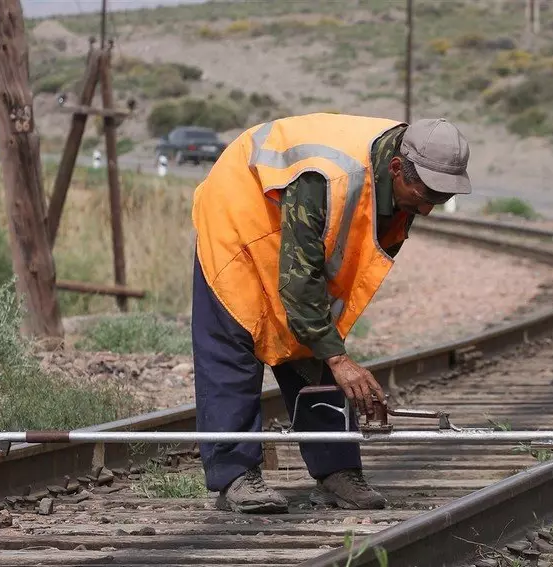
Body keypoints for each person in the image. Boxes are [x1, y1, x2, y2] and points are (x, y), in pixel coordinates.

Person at [190, 113, 472, 514]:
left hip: (291, 230)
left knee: (315, 343)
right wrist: (339, 359)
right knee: (235, 338)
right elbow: (300, 279)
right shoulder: (326, 179)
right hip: (241, 214)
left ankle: (336, 470)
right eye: (426, 194)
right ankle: (235, 476)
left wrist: (330, 348)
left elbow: (314, 287)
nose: (428, 209)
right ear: (397, 168)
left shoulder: (401, 172)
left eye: (441, 199)